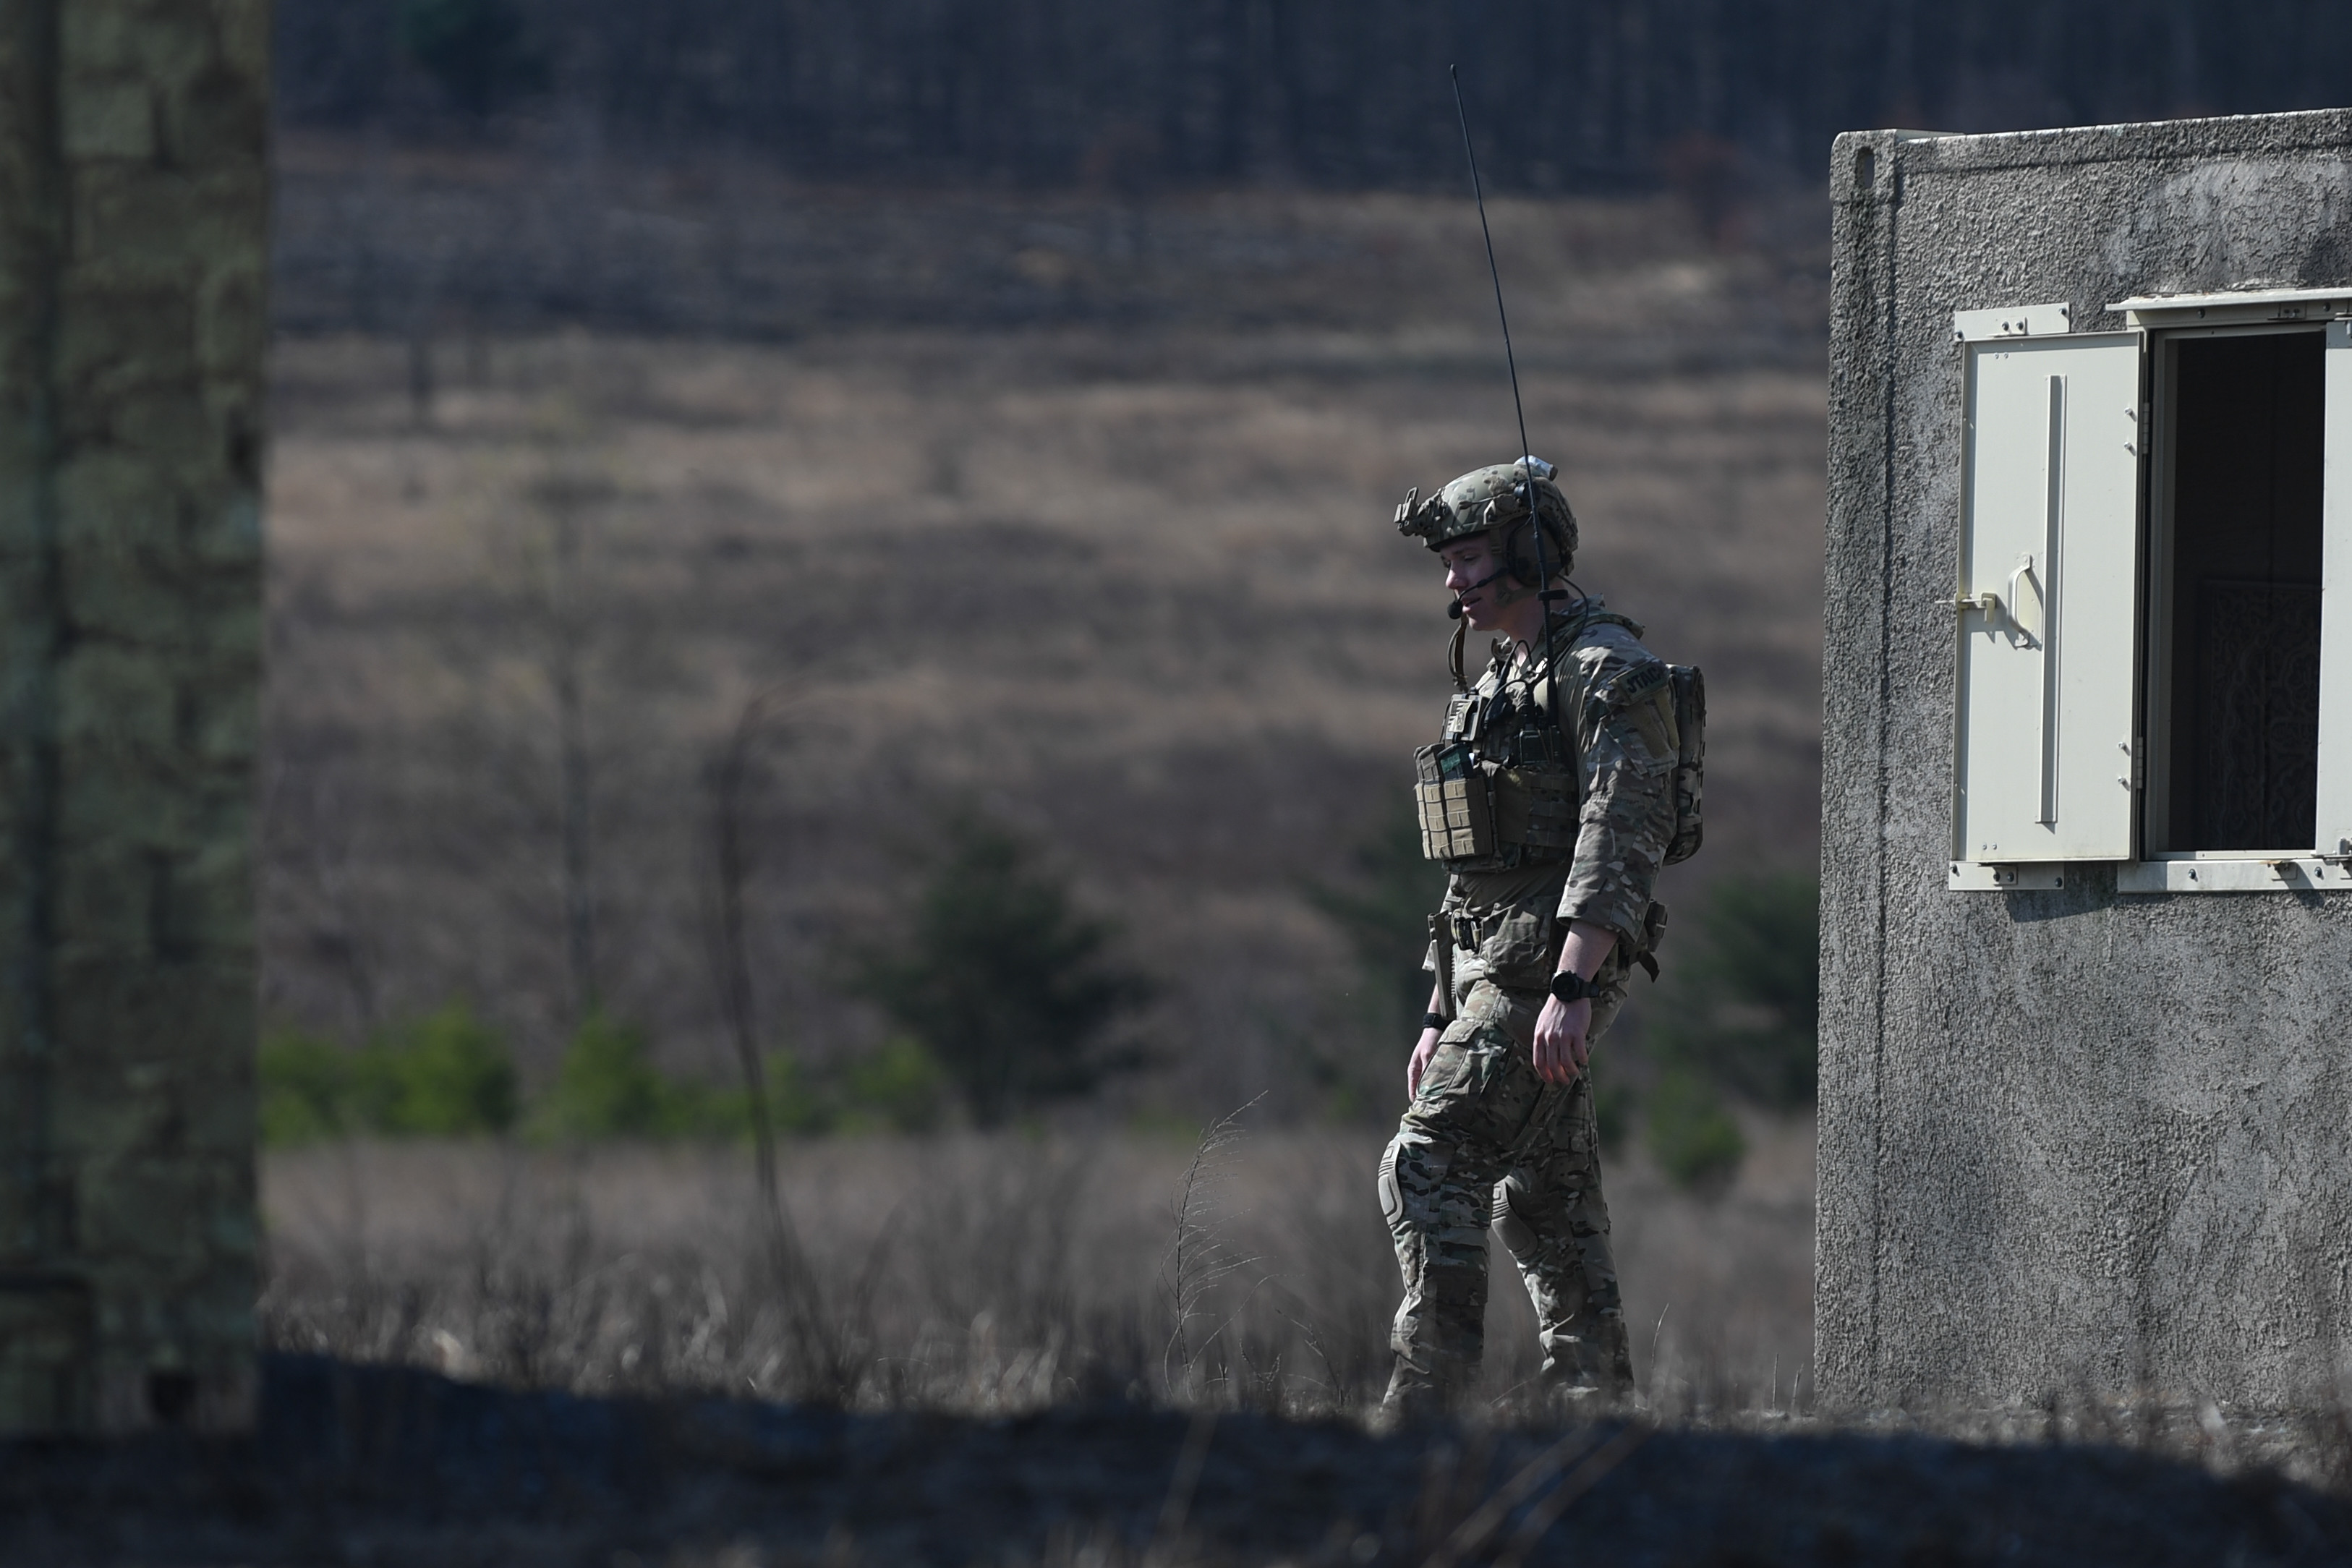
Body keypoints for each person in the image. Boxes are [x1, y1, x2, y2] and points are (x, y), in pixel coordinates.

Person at [1381, 456, 1679, 1418]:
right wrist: (1439, 1008)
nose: (1453, 582)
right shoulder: (1508, 678)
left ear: (1531, 553)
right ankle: (1598, 1416)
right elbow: (1474, 870)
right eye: (1447, 563)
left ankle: (1431, 1406)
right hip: (1492, 972)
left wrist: (1574, 985)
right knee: (1545, 1204)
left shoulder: (1605, 673)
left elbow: (1621, 833)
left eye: (1468, 558)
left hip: (1547, 974)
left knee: (1427, 1160)